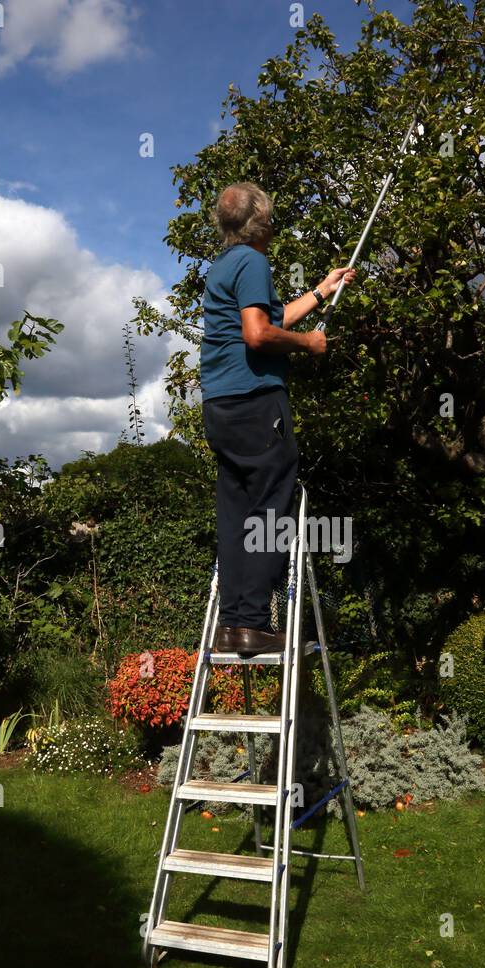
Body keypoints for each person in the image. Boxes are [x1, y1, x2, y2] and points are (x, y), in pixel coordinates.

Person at [200, 181, 355, 656]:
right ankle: (252, 621)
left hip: (222, 404)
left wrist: (320, 292)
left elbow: (267, 317)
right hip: (256, 401)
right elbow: (257, 333)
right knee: (271, 505)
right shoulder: (253, 261)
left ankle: (233, 623)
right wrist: (309, 343)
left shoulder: (224, 266)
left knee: (236, 509)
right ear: (261, 223)